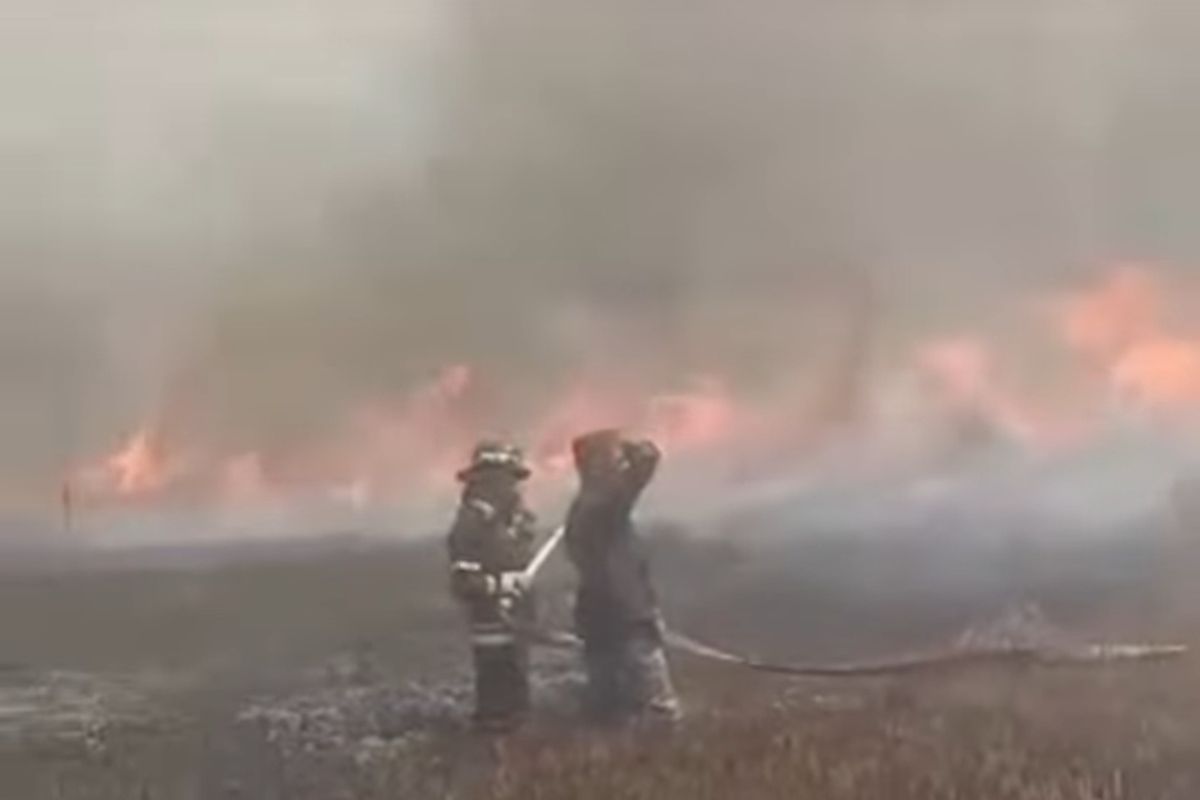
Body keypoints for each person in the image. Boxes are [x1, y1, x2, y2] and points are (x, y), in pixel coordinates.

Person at [564, 429, 680, 724]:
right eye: (615, 458)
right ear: (599, 465)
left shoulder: (587, 507)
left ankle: (608, 754)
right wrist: (637, 453)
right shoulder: (602, 507)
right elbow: (641, 470)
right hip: (624, 618)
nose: (621, 465)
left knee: (608, 705)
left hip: (603, 616)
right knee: (657, 710)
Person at [446, 440, 539, 731]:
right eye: (505, 479)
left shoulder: (511, 522)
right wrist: (503, 584)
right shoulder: (471, 523)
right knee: (497, 707)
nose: (513, 488)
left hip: (516, 628)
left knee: (517, 702)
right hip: (492, 633)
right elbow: (463, 583)